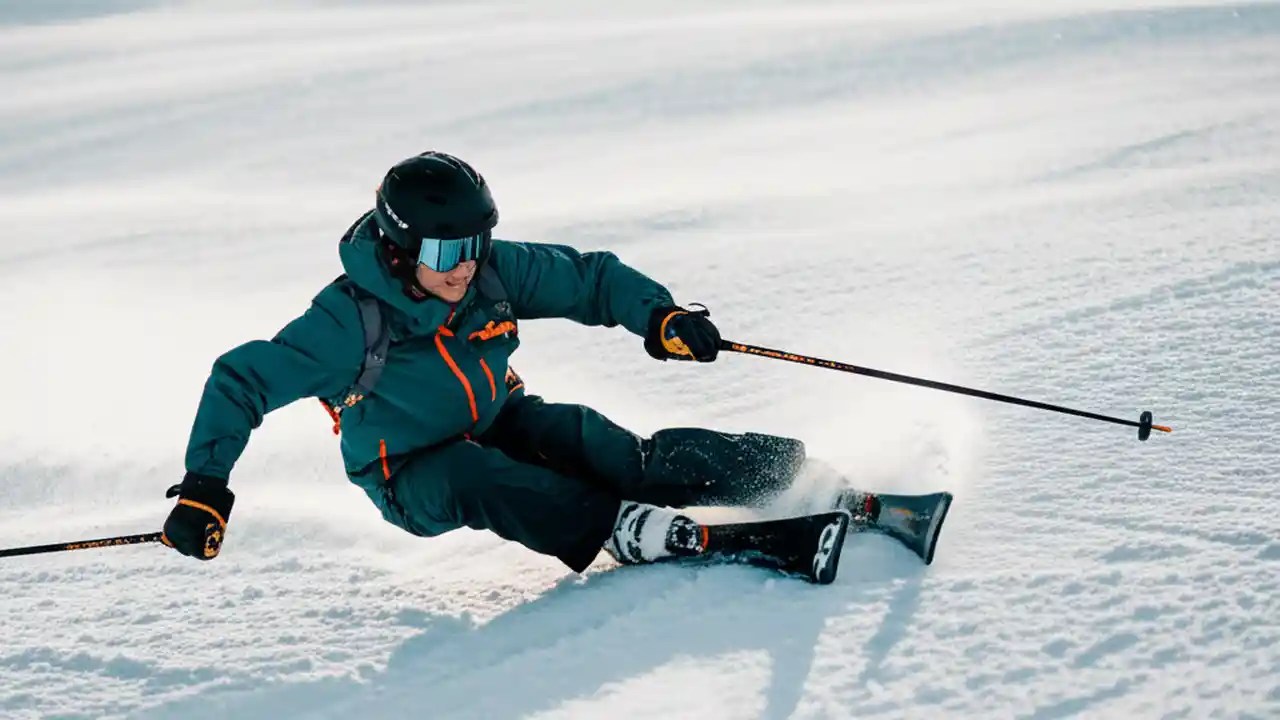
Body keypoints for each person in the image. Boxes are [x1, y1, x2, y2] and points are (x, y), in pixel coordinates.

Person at [162, 151, 808, 572]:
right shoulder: (347, 323)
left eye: (474, 244)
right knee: (482, 476)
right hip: (409, 471)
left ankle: (787, 473)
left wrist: (659, 316)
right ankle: (616, 528)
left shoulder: (489, 271)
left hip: (498, 416)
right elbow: (241, 380)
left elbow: (589, 280)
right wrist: (204, 487)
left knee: (594, 444)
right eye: (445, 254)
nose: (464, 267)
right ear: (400, 252)